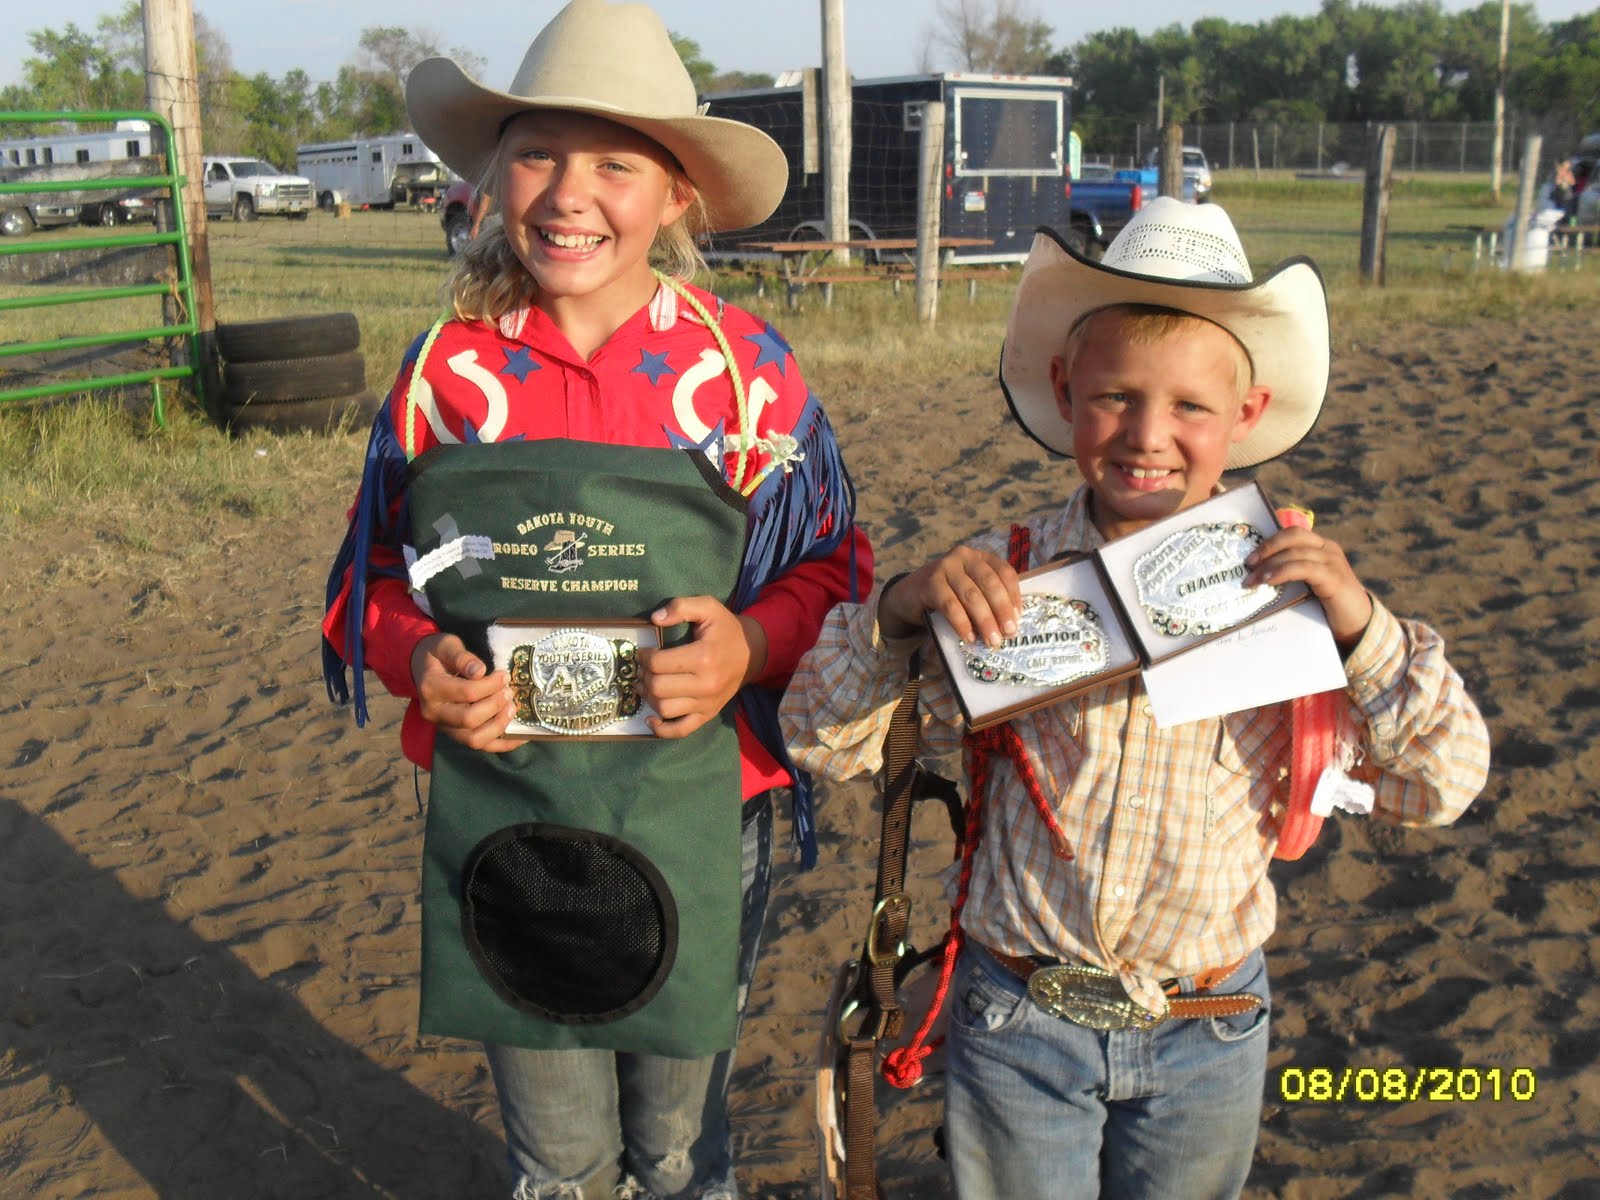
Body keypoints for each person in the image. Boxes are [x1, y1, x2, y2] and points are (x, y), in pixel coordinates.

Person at [780, 197, 1490, 1200]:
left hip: (1207, 1022)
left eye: (1190, 408)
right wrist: (899, 610)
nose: (1147, 435)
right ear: (1066, 392)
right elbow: (819, 738)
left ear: (1246, 415)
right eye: (1115, 397)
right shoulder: (1002, 575)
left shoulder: (1290, 591)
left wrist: (1362, 628)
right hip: (1019, 1016)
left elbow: (1442, 785)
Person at [319, 3, 872, 1198]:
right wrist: (416, 654)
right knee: (558, 1155)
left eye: (615, 162)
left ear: (676, 194)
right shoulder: (442, 376)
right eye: (537, 153)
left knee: (678, 1145)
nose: (570, 194)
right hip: (505, 806)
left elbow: (835, 567)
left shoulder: (744, 372)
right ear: (491, 174)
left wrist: (748, 643)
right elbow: (365, 582)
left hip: (704, 805)